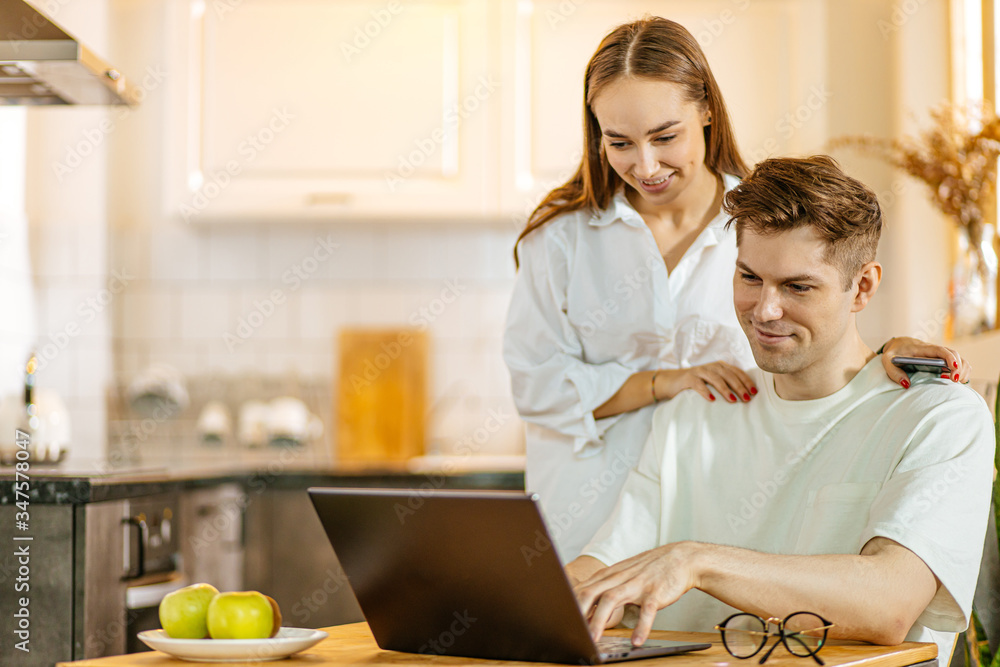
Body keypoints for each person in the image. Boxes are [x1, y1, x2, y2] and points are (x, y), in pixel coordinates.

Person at [502, 16, 972, 563]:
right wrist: (664, 382)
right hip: (585, 520)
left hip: (717, 524)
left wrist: (889, 351)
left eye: (665, 136)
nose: (645, 165)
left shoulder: (762, 223)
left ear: (706, 109)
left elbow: (819, 321)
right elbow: (535, 386)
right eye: (619, 142)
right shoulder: (562, 239)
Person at [566, 155, 993, 662]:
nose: (765, 310)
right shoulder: (697, 411)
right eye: (750, 278)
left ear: (863, 287)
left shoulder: (939, 417)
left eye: (797, 287)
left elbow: (889, 603)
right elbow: (604, 566)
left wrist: (696, 561)